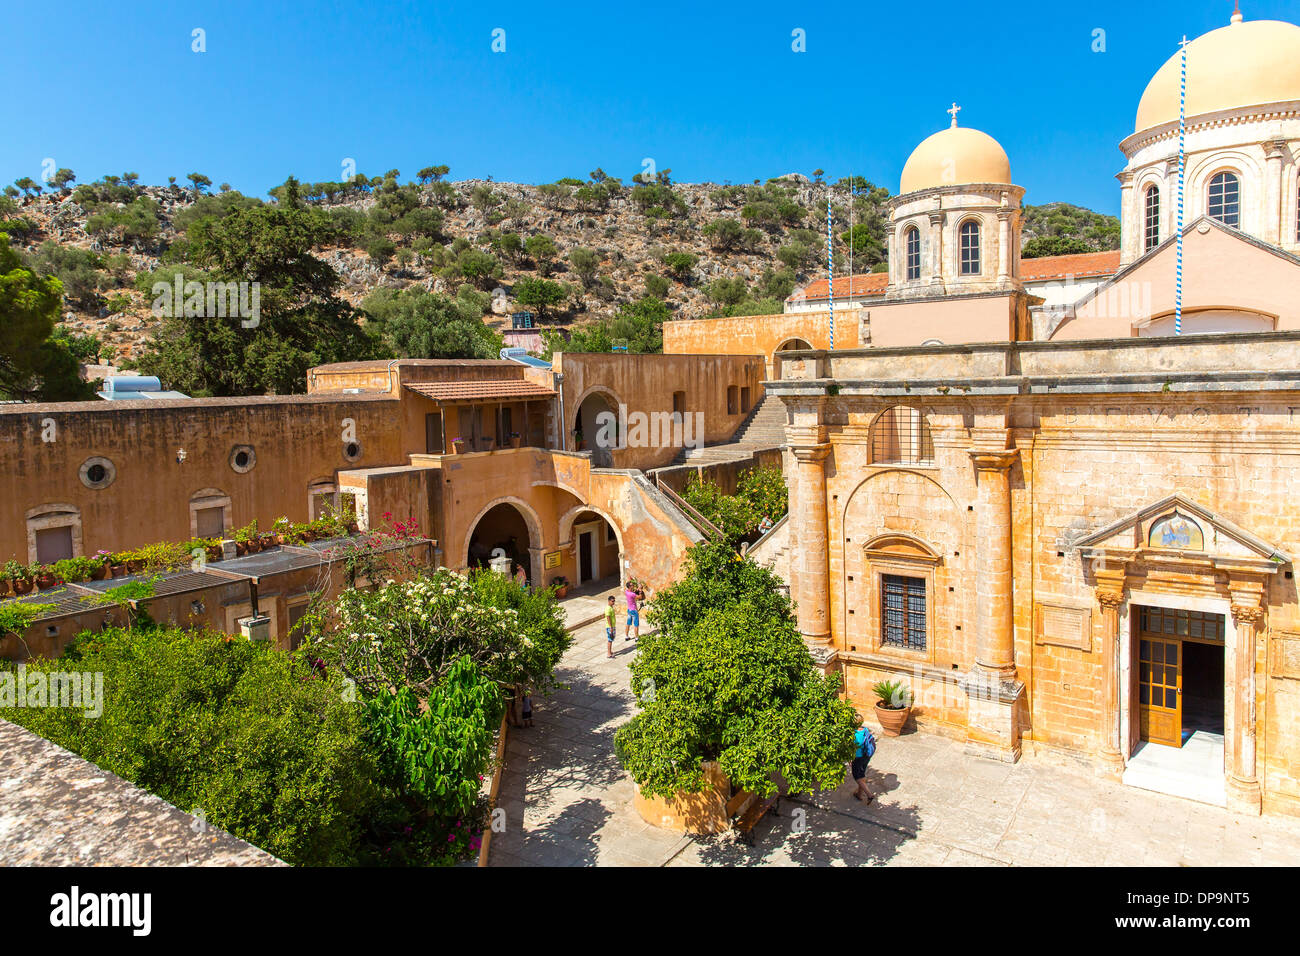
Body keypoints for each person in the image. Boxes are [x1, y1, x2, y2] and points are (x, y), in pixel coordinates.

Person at [851, 724, 876, 804]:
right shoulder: (865, 730)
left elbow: (852, 749)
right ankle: (859, 794)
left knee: (857, 776)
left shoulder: (854, 735)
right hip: (866, 756)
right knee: (862, 774)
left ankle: (869, 794)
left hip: (858, 758)